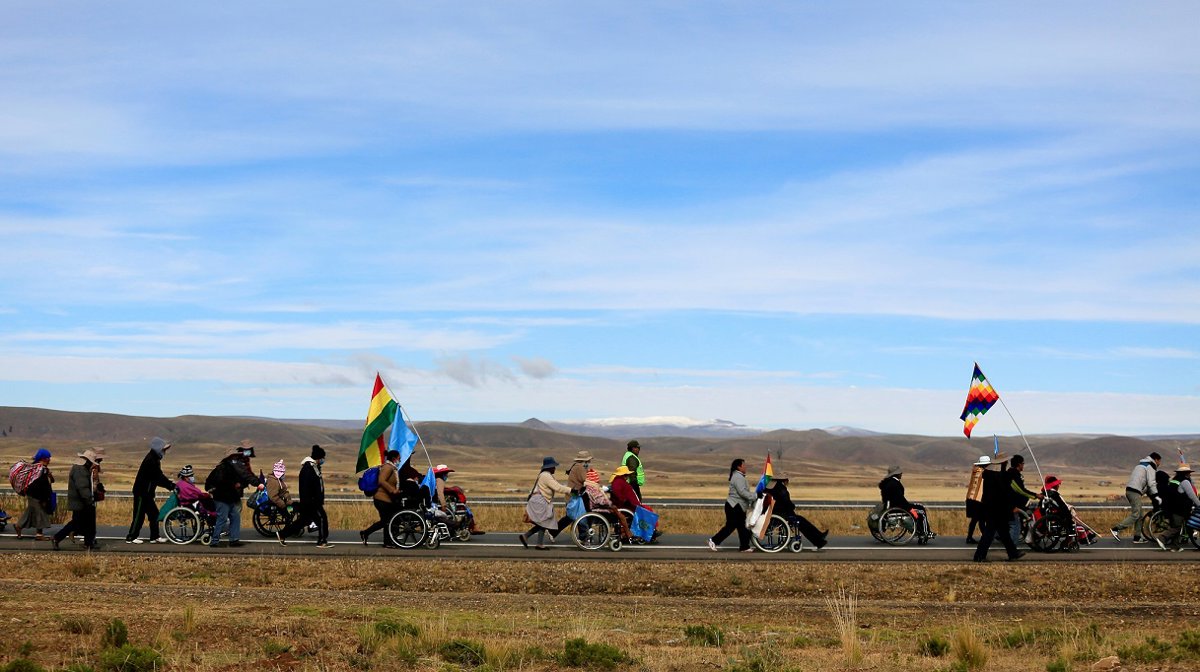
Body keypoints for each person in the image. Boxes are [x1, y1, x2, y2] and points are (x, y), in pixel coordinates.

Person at [205, 441, 261, 548]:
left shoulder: (231, 467)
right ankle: (215, 541)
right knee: (222, 519)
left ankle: (234, 540)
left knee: (235, 517)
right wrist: (235, 484)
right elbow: (221, 482)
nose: (237, 458)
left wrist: (239, 484)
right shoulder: (223, 468)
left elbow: (244, 476)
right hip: (223, 498)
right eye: (235, 456)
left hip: (230, 497)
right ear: (231, 457)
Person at [973, 453, 1024, 562]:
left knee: (1003, 532)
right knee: (989, 533)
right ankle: (979, 556)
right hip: (995, 510)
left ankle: (1012, 553)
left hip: (993, 509)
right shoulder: (995, 476)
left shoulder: (989, 475)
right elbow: (1004, 492)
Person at [125, 436, 177, 544]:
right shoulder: (151, 460)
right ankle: (131, 537)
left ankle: (154, 537)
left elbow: (158, 477)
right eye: (163, 449)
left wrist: (170, 485)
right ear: (158, 448)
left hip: (147, 493)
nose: (165, 452)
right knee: (139, 515)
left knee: (154, 514)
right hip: (142, 492)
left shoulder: (155, 459)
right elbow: (158, 477)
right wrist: (171, 486)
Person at [52, 449, 105, 551]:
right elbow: (82, 487)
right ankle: (57, 538)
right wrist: (90, 499)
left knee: (88, 522)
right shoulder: (80, 470)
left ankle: (88, 543)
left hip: (83, 500)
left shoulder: (83, 468)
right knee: (77, 523)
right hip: (81, 501)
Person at [278, 445, 330, 547]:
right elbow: (306, 486)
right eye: (322, 458)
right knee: (321, 518)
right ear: (318, 458)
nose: (323, 460)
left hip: (311, 501)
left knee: (303, 521)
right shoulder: (309, 468)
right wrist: (312, 500)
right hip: (311, 501)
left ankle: (282, 534)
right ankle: (322, 541)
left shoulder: (313, 467)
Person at [764, 472, 828, 549]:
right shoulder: (781, 489)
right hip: (781, 515)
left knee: (801, 520)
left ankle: (819, 539)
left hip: (776, 514)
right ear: (784, 480)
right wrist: (793, 506)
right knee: (801, 522)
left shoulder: (770, 488)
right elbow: (787, 503)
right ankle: (819, 540)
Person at [519, 456, 571, 550]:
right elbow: (558, 487)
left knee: (543, 522)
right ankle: (534, 541)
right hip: (540, 501)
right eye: (553, 466)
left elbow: (557, 486)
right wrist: (571, 490)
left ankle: (528, 537)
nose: (555, 468)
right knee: (544, 522)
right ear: (549, 467)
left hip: (539, 501)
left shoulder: (545, 475)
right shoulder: (546, 476)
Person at [1111, 452, 1162, 543]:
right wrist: (1156, 496)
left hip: (1131, 491)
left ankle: (1137, 537)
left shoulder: (1141, 465)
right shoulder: (1150, 467)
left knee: (1140, 515)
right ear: (1156, 460)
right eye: (1159, 461)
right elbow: (1151, 483)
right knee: (1136, 514)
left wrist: (1153, 495)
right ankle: (1116, 529)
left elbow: (1146, 485)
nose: (1159, 464)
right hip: (1134, 492)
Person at [708, 458, 756, 552]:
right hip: (734, 506)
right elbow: (742, 492)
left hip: (737, 506)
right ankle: (713, 540)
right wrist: (755, 496)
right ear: (739, 467)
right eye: (744, 465)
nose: (745, 467)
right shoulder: (738, 477)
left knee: (742, 527)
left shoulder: (739, 476)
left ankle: (744, 547)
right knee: (731, 526)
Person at [360, 450, 402, 547]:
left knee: (385, 521)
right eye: (399, 457)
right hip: (381, 499)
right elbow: (381, 481)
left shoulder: (392, 468)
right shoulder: (387, 468)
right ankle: (387, 542)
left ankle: (365, 533)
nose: (400, 459)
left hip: (386, 499)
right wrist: (392, 490)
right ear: (394, 458)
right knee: (387, 521)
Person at [879, 466, 930, 538]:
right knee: (921, 511)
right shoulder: (894, 484)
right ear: (895, 474)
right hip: (898, 507)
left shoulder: (889, 483)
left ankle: (920, 530)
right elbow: (900, 499)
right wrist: (910, 509)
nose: (901, 473)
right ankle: (925, 532)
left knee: (919, 506)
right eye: (899, 472)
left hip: (894, 505)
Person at [15, 448, 54, 541]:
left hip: (32, 495)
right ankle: (39, 534)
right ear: (44, 458)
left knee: (30, 513)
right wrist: (44, 499)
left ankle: (18, 526)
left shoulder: (35, 468)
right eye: (48, 458)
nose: (50, 460)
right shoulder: (41, 470)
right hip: (37, 496)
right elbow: (42, 486)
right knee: (40, 513)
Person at [1160, 464, 1200, 552]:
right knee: (1177, 527)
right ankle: (1162, 537)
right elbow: (1192, 496)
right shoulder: (1185, 482)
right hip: (1180, 508)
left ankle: (1175, 546)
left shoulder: (1174, 481)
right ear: (1186, 473)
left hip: (1171, 507)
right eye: (1189, 473)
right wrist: (1199, 505)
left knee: (1177, 526)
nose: (1190, 475)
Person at [1006, 455, 1040, 545]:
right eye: (1023, 463)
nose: (1023, 465)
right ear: (1019, 464)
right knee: (1015, 525)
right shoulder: (1013, 474)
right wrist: (1035, 495)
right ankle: (1012, 548)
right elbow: (1020, 490)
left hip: (1016, 503)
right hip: (1014, 504)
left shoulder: (1013, 473)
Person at [555, 450, 592, 532]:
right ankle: (553, 531)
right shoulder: (580, 467)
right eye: (587, 461)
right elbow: (585, 480)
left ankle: (583, 536)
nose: (588, 462)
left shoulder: (576, 466)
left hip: (573, 496)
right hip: (574, 497)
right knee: (574, 516)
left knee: (574, 516)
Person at [964, 455, 990, 544]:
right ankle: (985, 537)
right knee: (982, 519)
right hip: (978, 499)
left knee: (975, 519)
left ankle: (970, 537)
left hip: (970, 498)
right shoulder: (984, 473)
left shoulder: (975, 471)